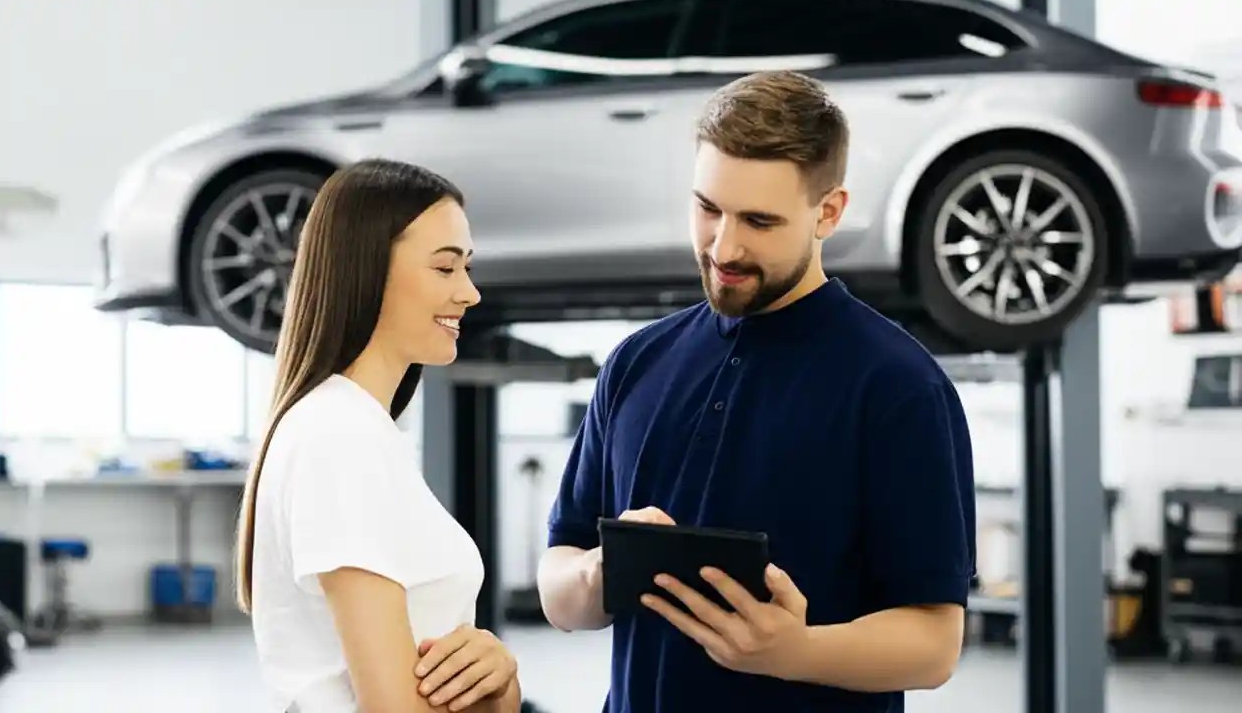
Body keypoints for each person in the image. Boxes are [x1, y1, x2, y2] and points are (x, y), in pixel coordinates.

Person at [536, 70, 976, 712]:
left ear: (828, 212)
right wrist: (596, 574)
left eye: (759, 221)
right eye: (707, 208)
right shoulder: (636, 362)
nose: (725, 245)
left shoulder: (898, 388)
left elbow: (935, 643)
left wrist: (792, 653)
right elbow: (558, 584)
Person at [235, 159, 522, 713]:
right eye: (445, 268)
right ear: (366, 271)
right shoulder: (337, 435)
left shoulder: (359, 427)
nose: (470, 293)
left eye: (467, 268)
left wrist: (498, 677)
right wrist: (501, 690)